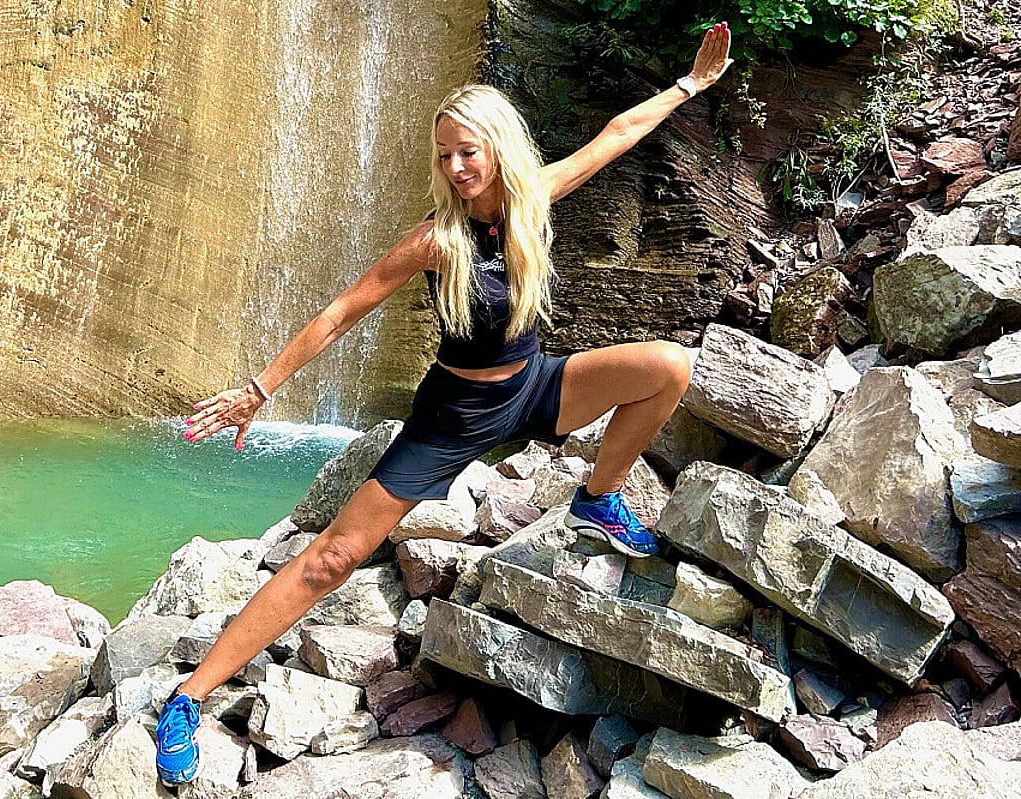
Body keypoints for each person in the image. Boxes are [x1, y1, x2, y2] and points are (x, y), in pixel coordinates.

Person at [154, 23, 733, 786]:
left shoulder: (534, 199)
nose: (456, 167)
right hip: (450, 418)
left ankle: (599, 497)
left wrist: (690, 87)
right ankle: (187, 698)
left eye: (468, 150)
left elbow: (617, 133)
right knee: (330, 558)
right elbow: (339, 312)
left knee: (669, 367)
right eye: (444, 155)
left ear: (496, 146)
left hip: (533, 387)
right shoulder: (434, 241)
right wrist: (260, 390)